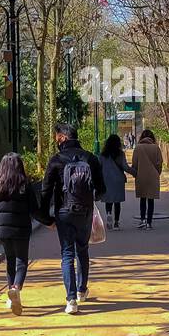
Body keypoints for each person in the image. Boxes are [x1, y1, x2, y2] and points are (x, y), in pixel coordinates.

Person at [40, 122, 106, 314]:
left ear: (62, 138)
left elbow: (45, 191)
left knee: (67, 254)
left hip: (64, 213)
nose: (56, 142)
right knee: (83, 250)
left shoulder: (56, 160)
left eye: (56, 139)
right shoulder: (91, 158)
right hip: (84, 211)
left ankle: (70, 300)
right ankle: (81, 290)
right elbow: (101, 190)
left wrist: (46, 218)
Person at [0, 152, 41, 316]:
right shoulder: (25, 186)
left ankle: (11, 295)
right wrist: (49, 221)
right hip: (21, 229)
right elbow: (34, 210)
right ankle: (16, 288)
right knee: (21, 261)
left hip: (2, 230)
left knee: (10, 261)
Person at [99, 133, 135, 229]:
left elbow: (99, 167)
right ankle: (116, 223)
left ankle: (108, 214)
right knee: (117, 202)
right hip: (118, 180)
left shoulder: (103, 155)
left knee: (108, 200)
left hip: (106, 180)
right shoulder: (120, 154)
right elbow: (125, 167)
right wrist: (135, 173)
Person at [132, 129, 163, 229]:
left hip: (141, 176)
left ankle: (142, 220)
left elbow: (135, 164)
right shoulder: (156, 148)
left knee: (142, 198)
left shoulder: (138, 148)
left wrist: (135, 174)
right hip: (153, 177)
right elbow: (159, 163)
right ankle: (149, 223)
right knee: (151, 200)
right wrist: (157, 173)